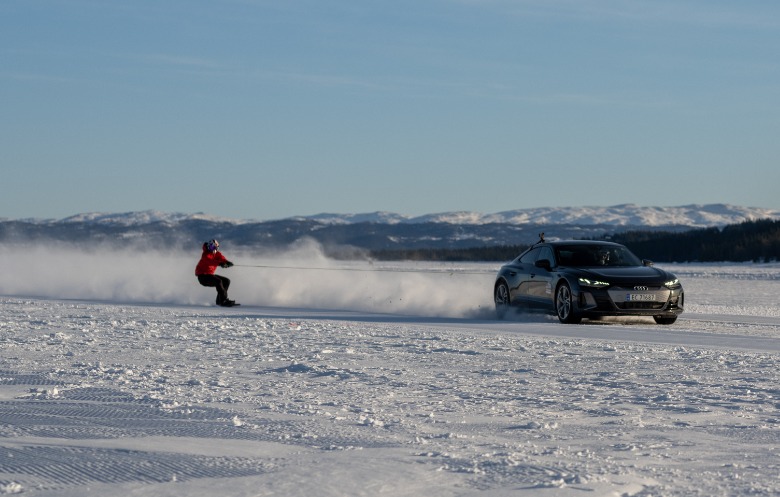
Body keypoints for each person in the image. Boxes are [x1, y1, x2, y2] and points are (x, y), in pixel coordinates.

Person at [195, 239, 237, 307]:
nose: (211, 249)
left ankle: (220, 301)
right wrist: (220, 263)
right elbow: (210, 261)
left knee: (226, 281)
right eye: (210, 247)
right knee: (219, 281)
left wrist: (227, 262)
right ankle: (223, 300)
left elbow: (222, 259)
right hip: (203, 277)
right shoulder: (205, 254)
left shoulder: (217, 254)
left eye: (213, 247)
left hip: (209, 275)